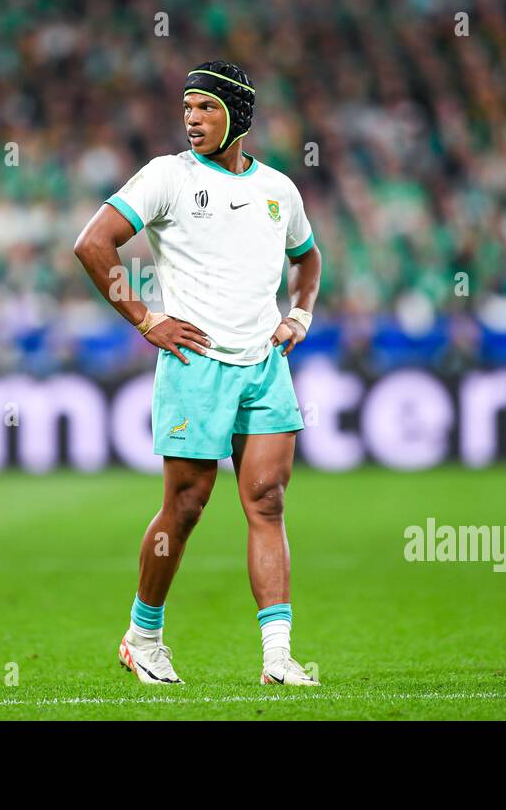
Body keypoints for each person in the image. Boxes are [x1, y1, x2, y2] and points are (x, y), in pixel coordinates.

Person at [73, 60, 323, 685]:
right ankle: (144, 636)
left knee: (266, 502)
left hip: (264, 365)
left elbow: (309, 259)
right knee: (186, 506)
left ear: (238, 114)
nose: (191, 118)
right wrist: (144, 318)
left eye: (206, 107)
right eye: (187, 107)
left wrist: (300, 315)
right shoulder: (167, 178)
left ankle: (277, 658)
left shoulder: (279, 191)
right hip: (195, 365)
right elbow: (92, 243)